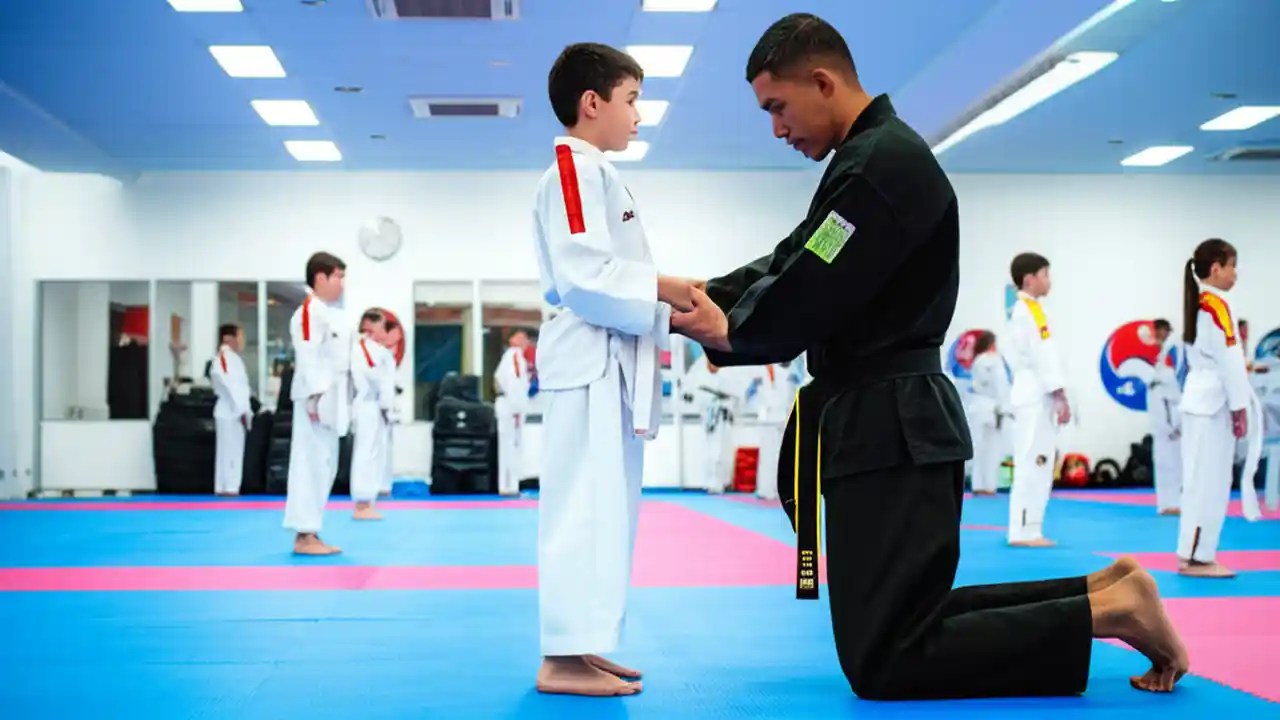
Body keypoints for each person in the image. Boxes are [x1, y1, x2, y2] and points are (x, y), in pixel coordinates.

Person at [669, 12, 1188, 698]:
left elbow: (811, 282)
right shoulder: (867, 163)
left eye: (778, 106)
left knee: (886, 658)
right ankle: (1103, 593)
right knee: (905, 625)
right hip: (886, 421)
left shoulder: (883, 167)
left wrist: (732, 331)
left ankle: (1106, 609)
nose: (777, 127)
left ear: (822, 82)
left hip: (893, 425)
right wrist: (697, 295)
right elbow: (797, 257)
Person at [530, 42, 694, 697]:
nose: (638, 115)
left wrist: (667, 298)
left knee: (608, 510)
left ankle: (585, 643)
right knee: (583, 510)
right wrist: (668, 288)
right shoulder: (573, 170)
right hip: (589, 364)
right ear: (591, 102)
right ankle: (560, 655)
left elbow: (605, 274)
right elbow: (583, 276)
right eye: (631, 100)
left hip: (608, 361)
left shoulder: (598, 173)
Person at [1177, 239, 1262, 578]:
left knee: (1206, 480)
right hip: (1212, 404)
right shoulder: (1215, 305)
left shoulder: (1201, 304)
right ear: (1216, 268)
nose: (1235, 274)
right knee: (1207, 482)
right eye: (1232, 266)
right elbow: (1229, 361)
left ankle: (1196, 552)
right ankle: (1196, 556)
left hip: (1204, 400)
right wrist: (1239, 408)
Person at [282, 252, 351, 556]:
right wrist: (314, 398)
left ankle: (312, 530)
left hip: (329, 400)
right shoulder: (310, 311)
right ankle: (304, 534)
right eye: (338, 276)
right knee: (310, 464)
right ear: (320, 277)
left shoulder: (326, 312)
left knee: (324, 465)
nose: (342, 283)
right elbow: (308, 356)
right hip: (316, 400)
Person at [1005, 253, 1071, 547]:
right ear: (1029, 278)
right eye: (1045, 274)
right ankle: (1021, 530)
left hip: (1037, 392)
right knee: (1031, 462)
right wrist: (1059, 394)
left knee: (1040, 462)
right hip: (1034, 394)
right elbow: (1041, 356)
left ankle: (1031, 526)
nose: (1049, 280)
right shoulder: (1027, 310)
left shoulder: (1032, 309)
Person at [350, 308, 399, 521]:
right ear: (370, 326)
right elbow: (377, 379)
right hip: (369, 405)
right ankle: (362, 503)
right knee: (366, 453)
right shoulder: (365, 348)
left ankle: (367, 500)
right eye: (381, 327)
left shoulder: (371, 349)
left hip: (374, 406)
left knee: (373, 453)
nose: (385, 332)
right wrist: (387, 405)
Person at [966, 331, 1012, 497]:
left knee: (979, 448)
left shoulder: (977, 361)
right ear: (992, 344)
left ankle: (977, 485)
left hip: (978, 406)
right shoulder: (995, 360)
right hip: (993, 408)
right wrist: (1006, 408)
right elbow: (1001, 386)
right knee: (992, 449)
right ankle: (989, 486)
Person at [210, 323, 253, 497]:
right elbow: (231, 384)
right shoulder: (225, 357)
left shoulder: (230, 358)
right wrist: (242, 410)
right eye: (239, 336)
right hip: (231, 410)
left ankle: (224, 486)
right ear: (228, 338)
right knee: (231, 450)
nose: (242, 341)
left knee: (227, 451)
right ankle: (229, 487)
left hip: (229, 409)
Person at [1149, 319, 1183, 515]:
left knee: (1176, 457)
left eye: (1157, 331)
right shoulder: (1161, 352)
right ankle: (1166, 502)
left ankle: (1175, 501)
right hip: (1161, 404)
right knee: (1163, 457)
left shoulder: (1175, 347)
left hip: (1174, 404)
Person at [493, 329, 532, 496]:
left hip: (508, 404)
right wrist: (516, 407)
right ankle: (509, 486)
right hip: (511, 407)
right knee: (511, 446)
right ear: (514, 340)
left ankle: (509, 484)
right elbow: (513, 383)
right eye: (521, 338)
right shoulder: (514, 356)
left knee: (510, 446)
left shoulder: (513, 357)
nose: (525, 342)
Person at [755, 360, 800, 500]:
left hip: (782, 419)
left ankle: (774, 489)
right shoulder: (767, 370)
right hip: (770, 419)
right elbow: (767, 397)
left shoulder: (791, 373)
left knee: (779, 457)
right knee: (769, 456)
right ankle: (766, 489)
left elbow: (789, 398)